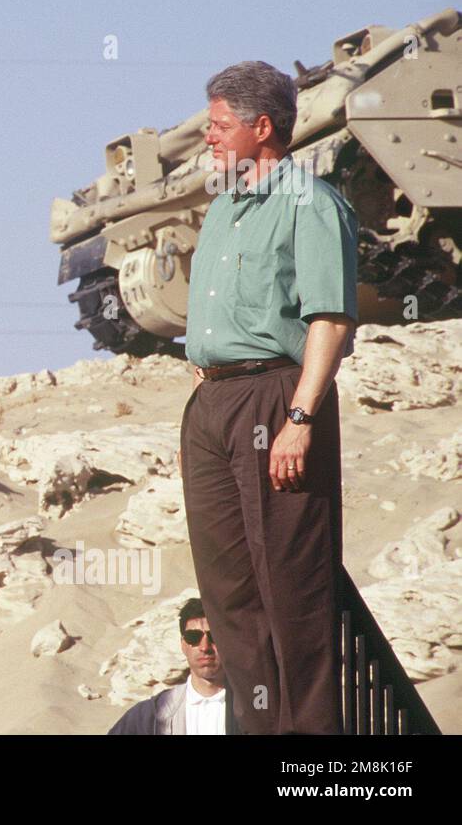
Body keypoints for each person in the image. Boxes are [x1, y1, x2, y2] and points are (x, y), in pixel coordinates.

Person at [180, 61, 358, 735]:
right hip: (212, 407)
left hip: (277, 399)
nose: (209, 138)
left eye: (220, 126)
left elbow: (330, 320)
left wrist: (301, 417)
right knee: (230, 597)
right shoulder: (222, 209)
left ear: (262, 127)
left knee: (294, 592)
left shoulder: (310, 203)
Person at [108, 598, 227, 735]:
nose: (205, 647)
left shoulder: (252, 709)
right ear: (183, 644)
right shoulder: (150, 716)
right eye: (193, 637)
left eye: (214, 637)